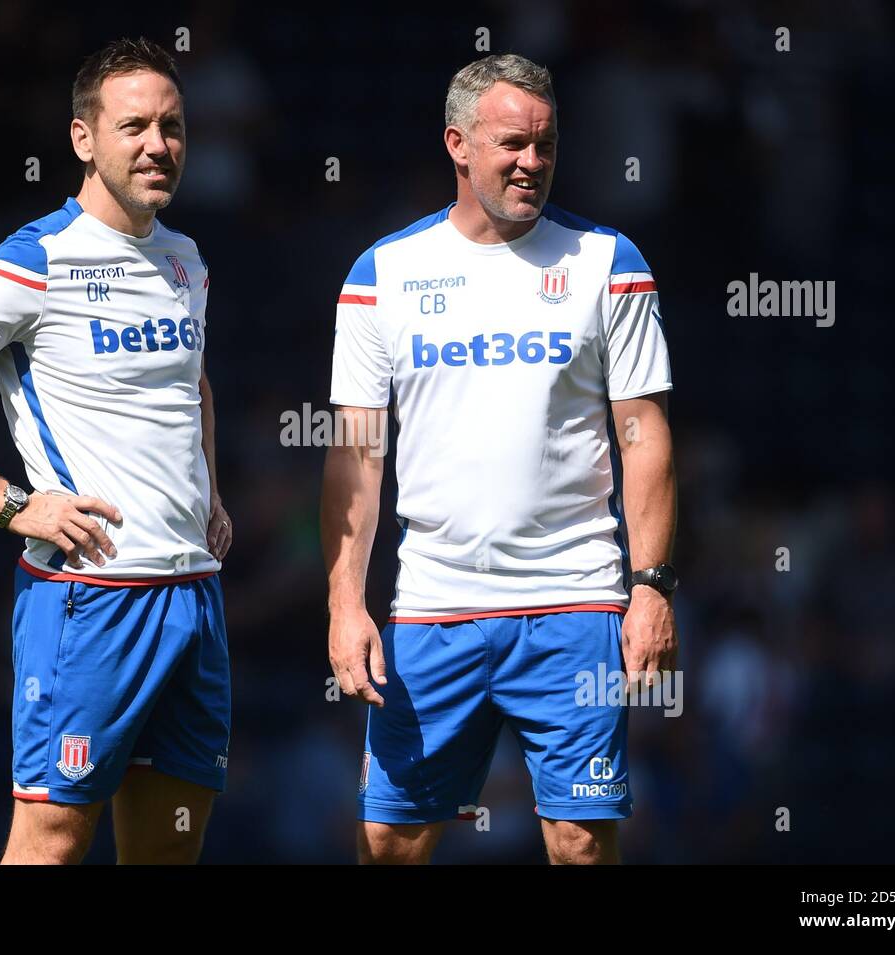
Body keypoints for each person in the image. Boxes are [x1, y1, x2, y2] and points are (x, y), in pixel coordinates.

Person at [0, 37, 231, 864]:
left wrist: (209, 491)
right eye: (134, 126)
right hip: (89, 600)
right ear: (83, 139)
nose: (157, 146)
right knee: (51, 844)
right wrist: (12, 503)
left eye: (172, 127)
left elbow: (192, 382)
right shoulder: (36, 259)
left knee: (172, 847)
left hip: (193, 600)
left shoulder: (186, 258)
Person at [321, 53, 678, 864]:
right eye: (513, 143)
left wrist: (651, 587)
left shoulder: (608, 263)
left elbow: (644, 436)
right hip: (433, 604)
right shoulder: (383, 275)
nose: (532, 163)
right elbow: (355, 459)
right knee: (389, 840)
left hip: (576, 598)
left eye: (546, 145)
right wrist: (347, 603)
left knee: (582, 842)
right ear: (458, 143)